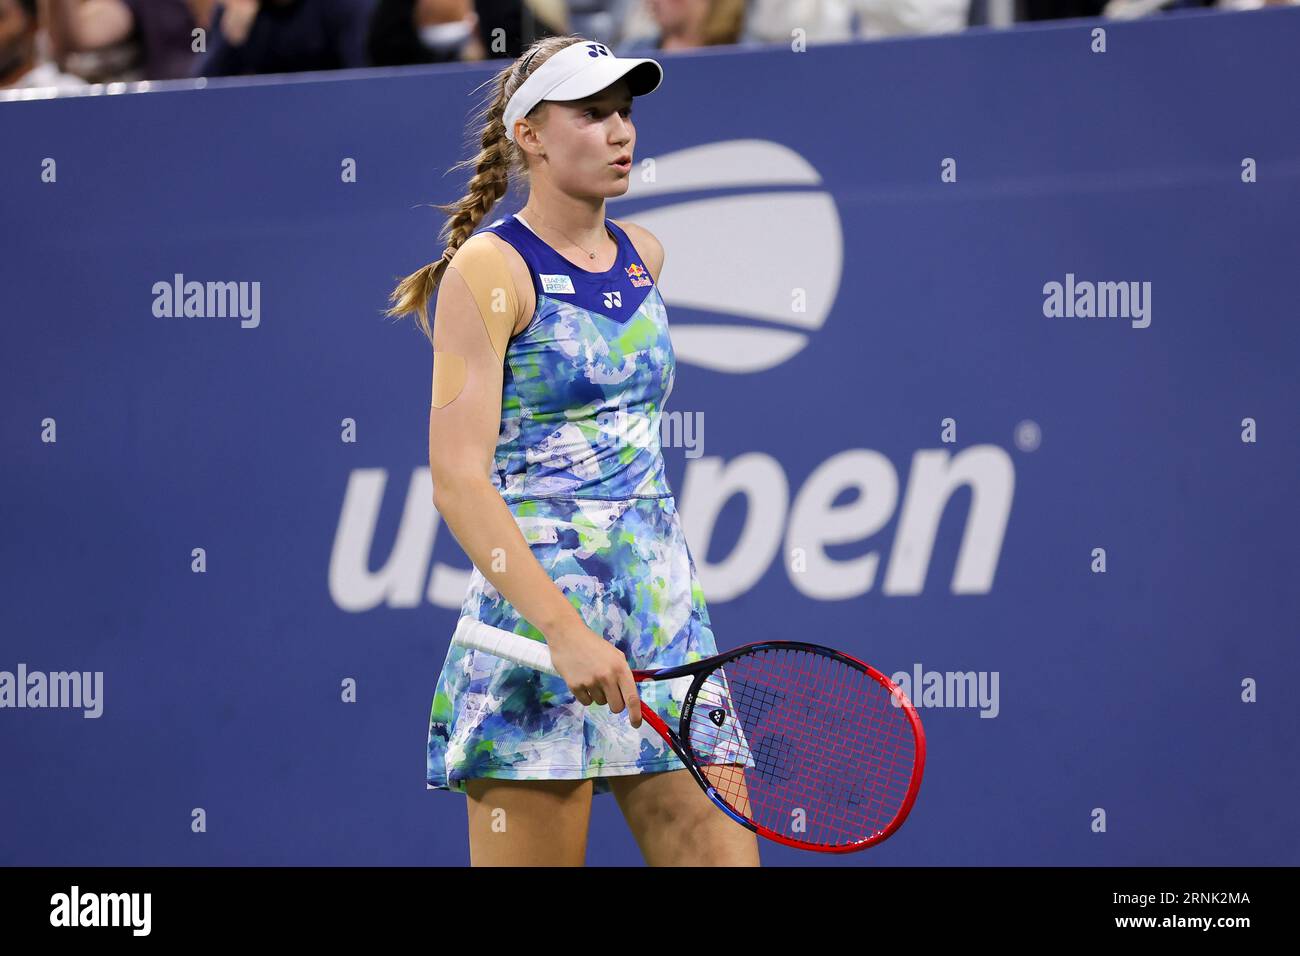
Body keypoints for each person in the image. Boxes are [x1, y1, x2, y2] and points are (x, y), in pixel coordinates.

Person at [388, 35, 761, 866]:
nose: (620, 131)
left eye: (625, 112)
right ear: (530, 133)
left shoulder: (646, 256)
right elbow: (457, 479)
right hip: (538, 632)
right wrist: (562, 630)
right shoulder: (489, 269)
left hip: (664, 626)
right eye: (592, 113)